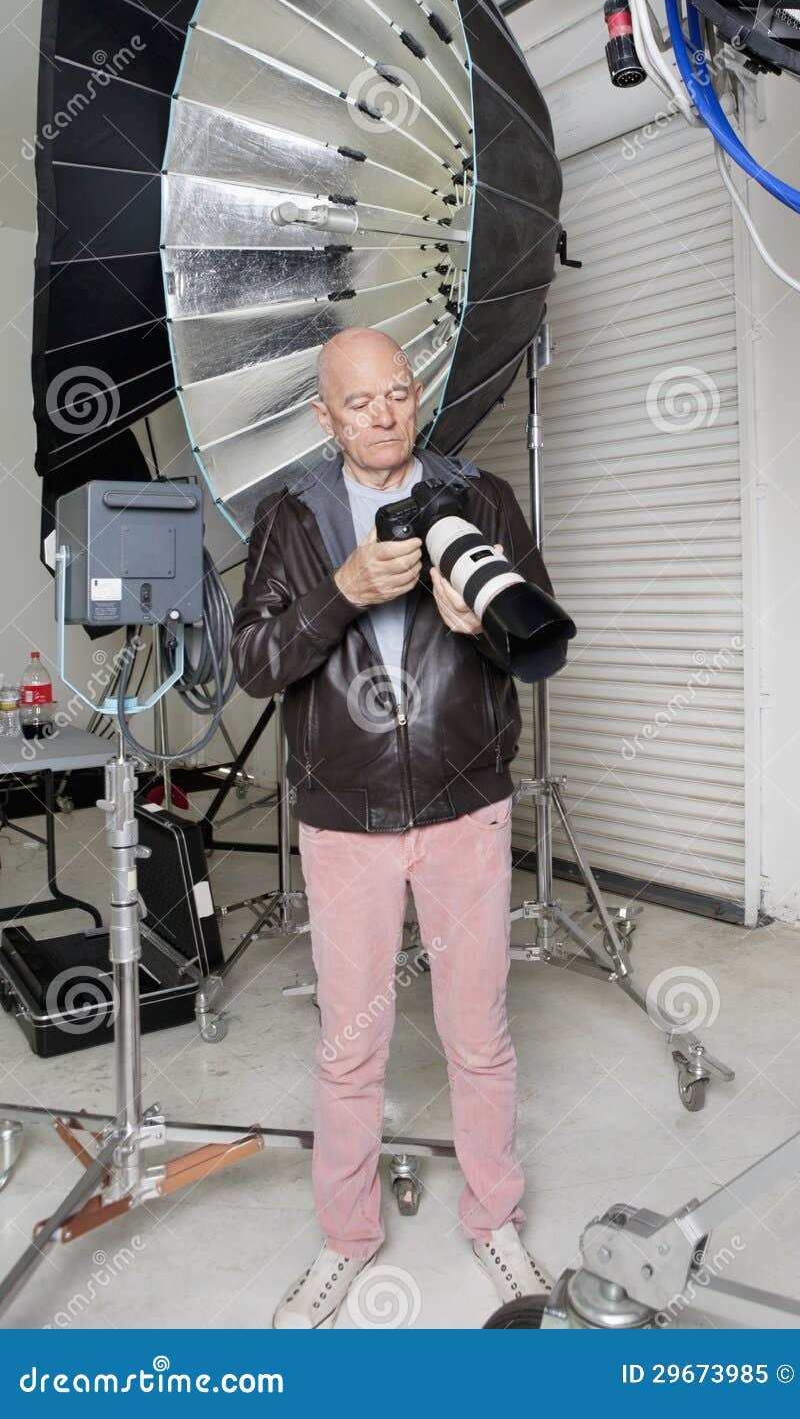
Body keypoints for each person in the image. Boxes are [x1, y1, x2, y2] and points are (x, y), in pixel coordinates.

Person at [231, 327, 567, 1328]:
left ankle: (494, 1221)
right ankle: (344, 1239)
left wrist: (489, 629)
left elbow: (543, 626)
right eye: (361, 399)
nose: (385, 411)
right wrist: (340, 593)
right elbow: (254, 662)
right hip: (345, 816)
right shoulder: (291, 517)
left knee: (478, 1032)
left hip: (466, 804)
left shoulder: (483, 496)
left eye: (400, 390)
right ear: (323, 416)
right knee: (349, 1047)